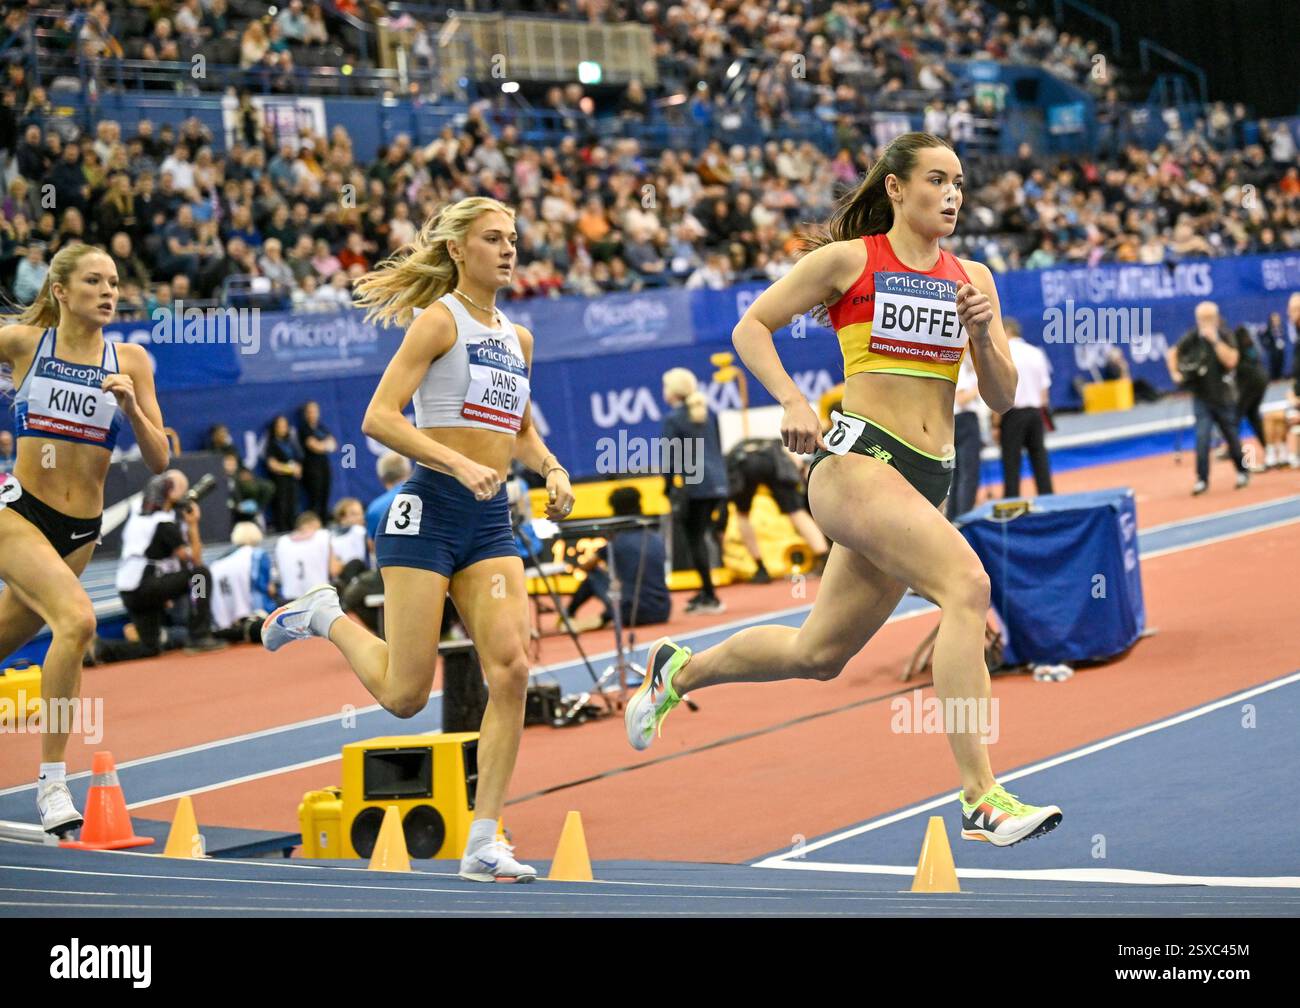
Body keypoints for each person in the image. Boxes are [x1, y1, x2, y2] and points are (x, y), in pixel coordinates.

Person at [622, 133, 1062, 847]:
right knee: (967, 586)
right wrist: (795, 402)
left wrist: (982, 337)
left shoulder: (973, 276)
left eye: (959, 182)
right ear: (895, 187)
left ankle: (680, 670)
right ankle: (981, 796)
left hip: (926, 480)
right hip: (857, 461)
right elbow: (751, 326)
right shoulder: (850, 261)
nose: (952, 194)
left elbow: (1005, 398)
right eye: (936, 180)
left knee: (818, 656)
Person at [258, 197, 576, 882]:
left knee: (514, 669)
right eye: (493, 238)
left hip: (490, 524)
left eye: (514, 238)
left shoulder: (519, 339)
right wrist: (455, 461)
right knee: (405, 694)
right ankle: (324, 614)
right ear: (459, 249)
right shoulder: (439, 321)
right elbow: (379, 416)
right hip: (428, 512)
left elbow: (517, 430)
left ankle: (484, 838)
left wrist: (549, 466)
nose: (509, 249)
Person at [0, 242, 171, 835]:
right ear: (60, 292)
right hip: (20, 514)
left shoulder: (132, 360)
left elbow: (159, 459)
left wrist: (132, 407)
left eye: (115, 282)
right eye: (94, 281)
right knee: (77, 622)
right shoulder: (25, 344)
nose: (108, 291)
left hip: (80, 532)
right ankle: (50, 784)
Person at [96, 470, 227, 663]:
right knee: (200, 575)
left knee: (150, 648)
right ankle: (200, 636)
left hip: (130, 590)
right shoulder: (163, 524)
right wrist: (193, 525)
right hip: (147, 585)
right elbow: (195, 561)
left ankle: (100, 650)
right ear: (171, 495)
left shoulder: (137, 515)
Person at [1165, 301, 1251, 495]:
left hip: (1223, 396)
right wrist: (1176, 374)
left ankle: (1243, 470)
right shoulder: (1192, 337)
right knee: (1202, 438)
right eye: (1201, 319)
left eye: (1208, 318)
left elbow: (1232, 361)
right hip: (1201, 398)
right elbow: (1172, 352)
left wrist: (1215, 341)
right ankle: (1202, 479)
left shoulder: (1225, 334)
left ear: (1216, 318)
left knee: (1232, 437)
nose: (1204, 322)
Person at [661, 367, 728, 613]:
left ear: (673, 391)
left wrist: (667, 487)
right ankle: (706, 590)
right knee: (701, 537)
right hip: (717, 483)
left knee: (695, 540)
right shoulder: (707, 413)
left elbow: (669, 457)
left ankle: (710, 596)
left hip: (695, 485)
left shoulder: (674, 419)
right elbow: (717, 448)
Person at [563, 486, 671, 632]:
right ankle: (604, 617)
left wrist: (573, 566)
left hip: (632, 615)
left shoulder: (615, 543)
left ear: (615, 510)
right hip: (663, 611)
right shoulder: (657, 538)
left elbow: (587, 567)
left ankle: (567, 615)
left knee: (594, 576)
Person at [726, 436, 829, 582]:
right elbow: (796, 463)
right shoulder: (774, 445)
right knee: (796, 511)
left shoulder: (740, 450)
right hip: (772, 458)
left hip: (743, 461)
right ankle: (823, 558)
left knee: (743, 514)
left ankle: (761, 569)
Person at [998, 318, 1054, 498]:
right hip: (1035, 413)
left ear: (1006, 331)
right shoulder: (1036, 353)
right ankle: (1048, 499)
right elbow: (1044, 390)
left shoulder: (1004, 353)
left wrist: (994, 423)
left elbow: (998, 390)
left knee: (1011, 463)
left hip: (1012, 414)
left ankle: (1011, 502)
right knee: (1040, 459)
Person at [209, 521, 276, 643]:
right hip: (253, 618)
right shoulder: (257, 555)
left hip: (222, 622)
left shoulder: (216, 563)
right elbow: (262, 590)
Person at [946, 352, 987, 520]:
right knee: (968, 474)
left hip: (953, 421)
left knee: (956, 474)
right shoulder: (960, 365)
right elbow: (962, 399)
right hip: (964, 420)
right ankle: (965, 518)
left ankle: (954, 517)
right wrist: (981, 385)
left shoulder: (957, 364)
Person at [1232, 324, 1270, 471]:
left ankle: (1238, 455)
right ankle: (1269, 446)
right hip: (1261, 380)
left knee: (1234, 420)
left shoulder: (1239, 348)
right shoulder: (1251, 345)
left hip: (1252, 383)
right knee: (1253, 415)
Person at [274, 510, 334, 601]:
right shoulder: (323, 536)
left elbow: (279, 574)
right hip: (319, 598)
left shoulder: (281, 542)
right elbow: (334, 570)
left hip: (290, 599)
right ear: (312, 524)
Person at [297, 400, 336, 518]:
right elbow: (314, 446)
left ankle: (324, 520)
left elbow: (333, 444)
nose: (312, 414)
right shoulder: (304, 429)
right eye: (310, 411)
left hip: (324, 464)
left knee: (325, 492)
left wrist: (323, 445)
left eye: (315, 411)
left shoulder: (321, 427)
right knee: (315, 496)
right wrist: (325, 445)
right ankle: (315, 521)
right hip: (311, 467)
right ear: (305, 414)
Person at [263, 413, 302, 531]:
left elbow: (298, 459)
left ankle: (293, 527)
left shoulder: (290, 442)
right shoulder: (271, 444)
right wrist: (289, 469)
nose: (283, 428)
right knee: (282, 505)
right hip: (280, 480)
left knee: (293, 504)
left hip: (292, 480)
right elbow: (272, 464)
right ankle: (282, 529)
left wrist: (298, 468)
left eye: (285, 425)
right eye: (280, 426)